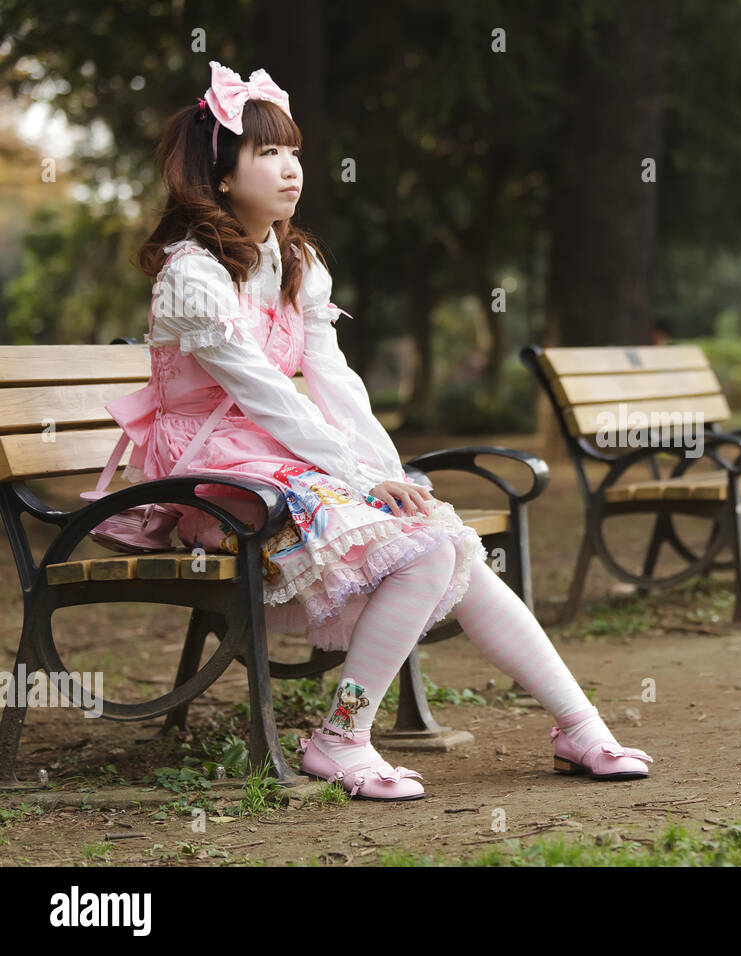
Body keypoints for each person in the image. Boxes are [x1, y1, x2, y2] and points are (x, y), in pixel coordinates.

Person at [108, 61, 651, 801]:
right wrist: (362, 481)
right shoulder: (192, 275)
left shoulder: (295, 260)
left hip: (279, 460)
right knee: (429, 546)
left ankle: (578, 724)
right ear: (221, 175)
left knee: (442, 537)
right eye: (266, 152)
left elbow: (336, 387)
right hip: (215, 476)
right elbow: (265, 393)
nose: (290, 168)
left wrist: (389, 473)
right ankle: (339, 739)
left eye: (293, 150)